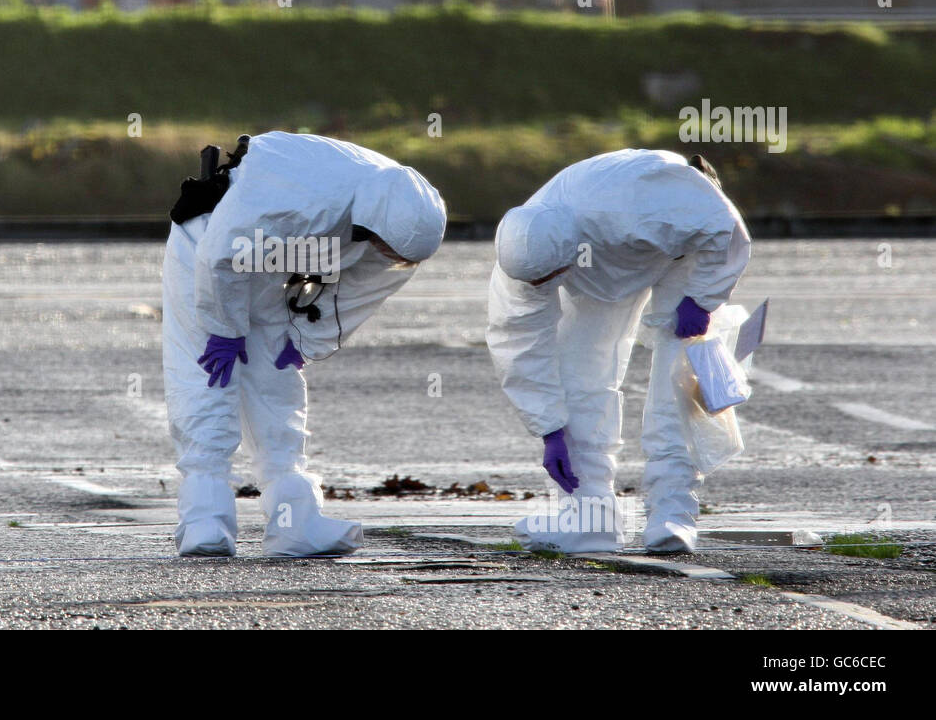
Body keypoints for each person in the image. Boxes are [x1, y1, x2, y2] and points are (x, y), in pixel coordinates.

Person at [163, 131, 447, 557]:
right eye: (387, 248)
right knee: (207, 376)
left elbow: (358, 287)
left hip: (270, 261)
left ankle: (294, 524)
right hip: (205, 245)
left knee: (277, 384)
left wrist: (304, 340)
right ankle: (205, 521)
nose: (390, 257)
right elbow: (219, 257)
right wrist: (223, 328)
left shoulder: (397, 216)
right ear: (375, 226)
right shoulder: (306, 201)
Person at [486, 149, 750, 553]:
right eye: (542, 280)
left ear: (571, 251)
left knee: (678, 379)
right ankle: (591, 519)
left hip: (682, 257)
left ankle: (672, 515)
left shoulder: (634, 202)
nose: (548, 284)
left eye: (553, 274)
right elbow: (521, 343)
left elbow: (724, 228)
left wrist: (702, 296)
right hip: (601, 272)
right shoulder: (523, 257)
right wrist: (549, 428)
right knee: (577, 377)